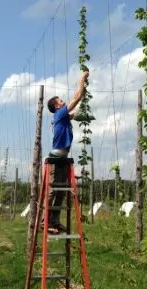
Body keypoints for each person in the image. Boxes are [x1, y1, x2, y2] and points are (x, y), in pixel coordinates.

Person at [42, 71, 89, 234]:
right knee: (54, 189)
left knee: (61, 191)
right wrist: (81, 80)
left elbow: (75, 112)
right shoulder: (59, 114)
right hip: (56, 157)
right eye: (61, 100)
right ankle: (44, 221)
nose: (63, 101)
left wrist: (84, 88)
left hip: (63, 157)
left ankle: (54, 221)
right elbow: (76, 99)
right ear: (56, 106)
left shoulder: (62, 116)